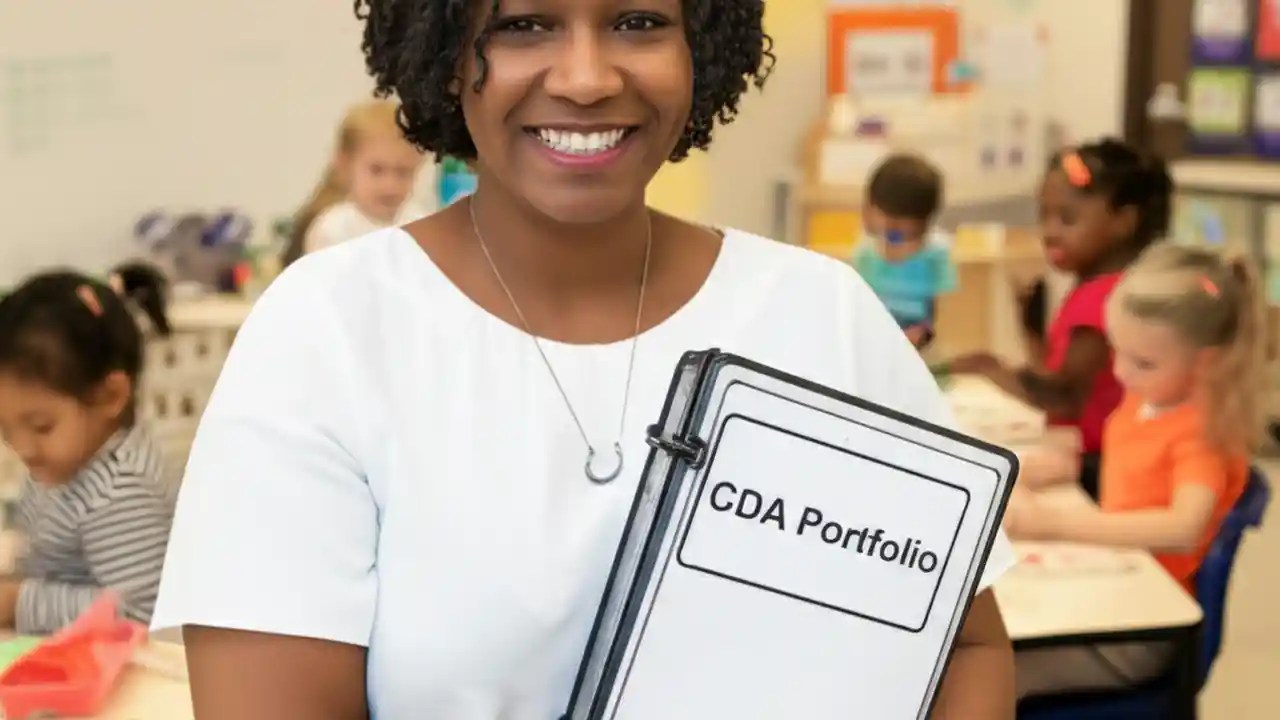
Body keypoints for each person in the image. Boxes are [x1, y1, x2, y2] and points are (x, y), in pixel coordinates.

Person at [151, 2, 1017, 717]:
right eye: (523, 25)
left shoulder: (821, 316)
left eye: (639, 21)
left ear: (703, 44)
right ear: (445, 51)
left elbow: (963, 647)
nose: (587, 77)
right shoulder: (329, 329)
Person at [1006, 244, 1261, 700]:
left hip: (1141, 631)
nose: (1121, 374)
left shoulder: (1200, 432)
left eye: (1142, 362)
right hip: (1115, 594)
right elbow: (1138, 470)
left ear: (1207, 363)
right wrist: (1069, 465)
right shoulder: (1154, 398)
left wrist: (1054, 523)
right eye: (1115, 352)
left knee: (983, 674)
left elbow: (1184, 527)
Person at [945, 138, 1174, 499]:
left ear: (1124, 222)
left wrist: (991, 370)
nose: (1049, 231)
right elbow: (1060, 372)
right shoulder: (1108, 288)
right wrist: (1029, 324)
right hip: (1097, 459)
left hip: (1101, 472)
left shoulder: (1106, 299)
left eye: (1067, 218)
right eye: (1044, 216)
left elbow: (1065, 397)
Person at [0, 267, 173, 633]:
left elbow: (138, 614)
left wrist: (18, 603)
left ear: (110, 396)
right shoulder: (64, 460)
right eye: (5, 428)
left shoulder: (122, 492)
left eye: (41, 426)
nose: (22, 448)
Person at [282, 99, 429, 266]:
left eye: (403, 172)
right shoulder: (332, 229)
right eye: (377, 170)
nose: (390, 186)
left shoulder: (421, 222)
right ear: (344, 166)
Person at [852, 153, 956, 348]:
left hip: (921, 350)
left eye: (903, 232)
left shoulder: (936, 255)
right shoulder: (866, 253)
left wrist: (924, 332)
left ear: (925, 224)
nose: (895, 238)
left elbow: (948, 316)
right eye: (888, 226)